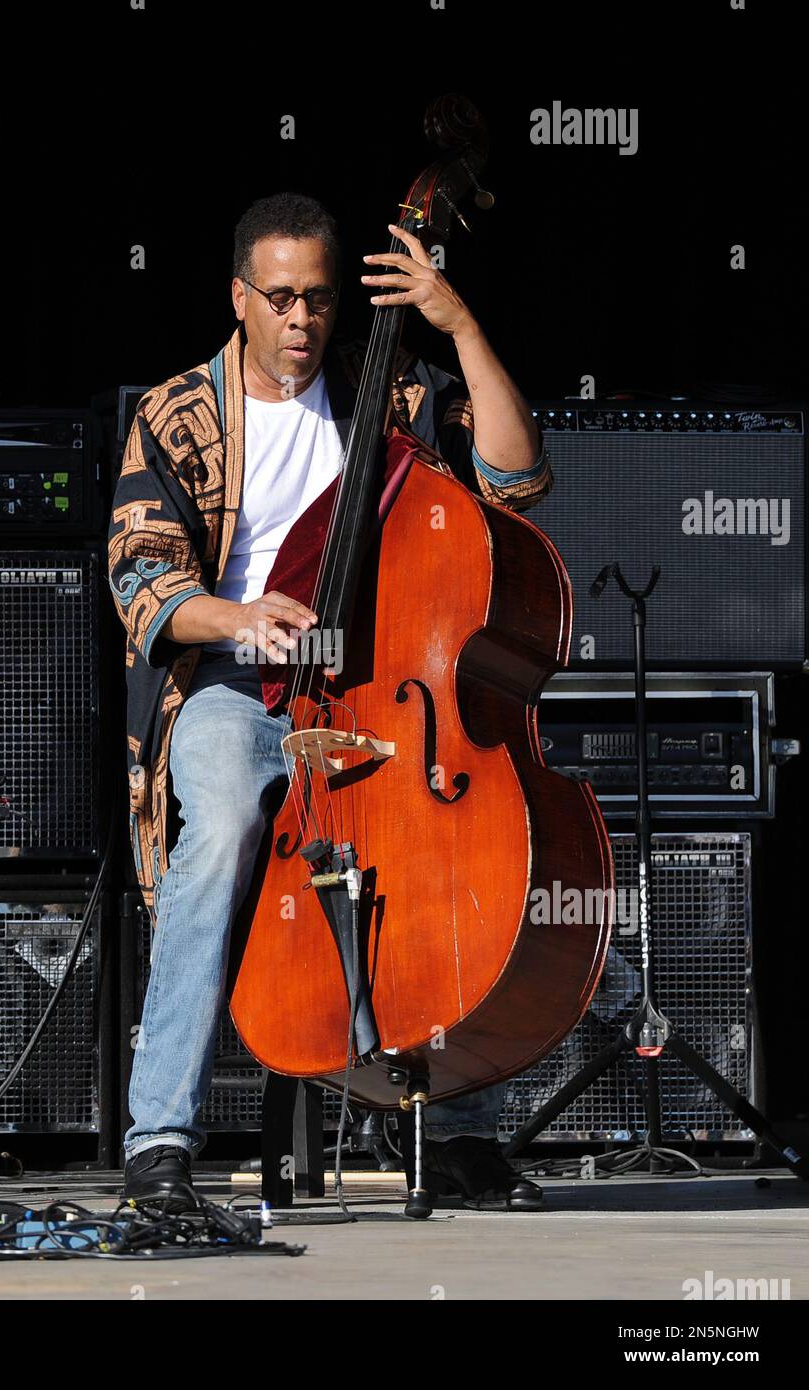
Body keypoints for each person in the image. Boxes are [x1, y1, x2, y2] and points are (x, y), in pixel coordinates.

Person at [108, 193, 553, 1212]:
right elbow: (138, 578)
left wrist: (459, 326)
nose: (300, 320)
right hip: (239, 687)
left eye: (315, 297)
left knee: (455, 847)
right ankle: (158, 1143)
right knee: (215, 830)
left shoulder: (382, 388)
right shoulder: (178, 411)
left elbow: (515, 479)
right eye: (278, 299)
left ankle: (454, 1128)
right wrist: (235, 617)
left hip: (378, 685)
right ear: (238, 297)